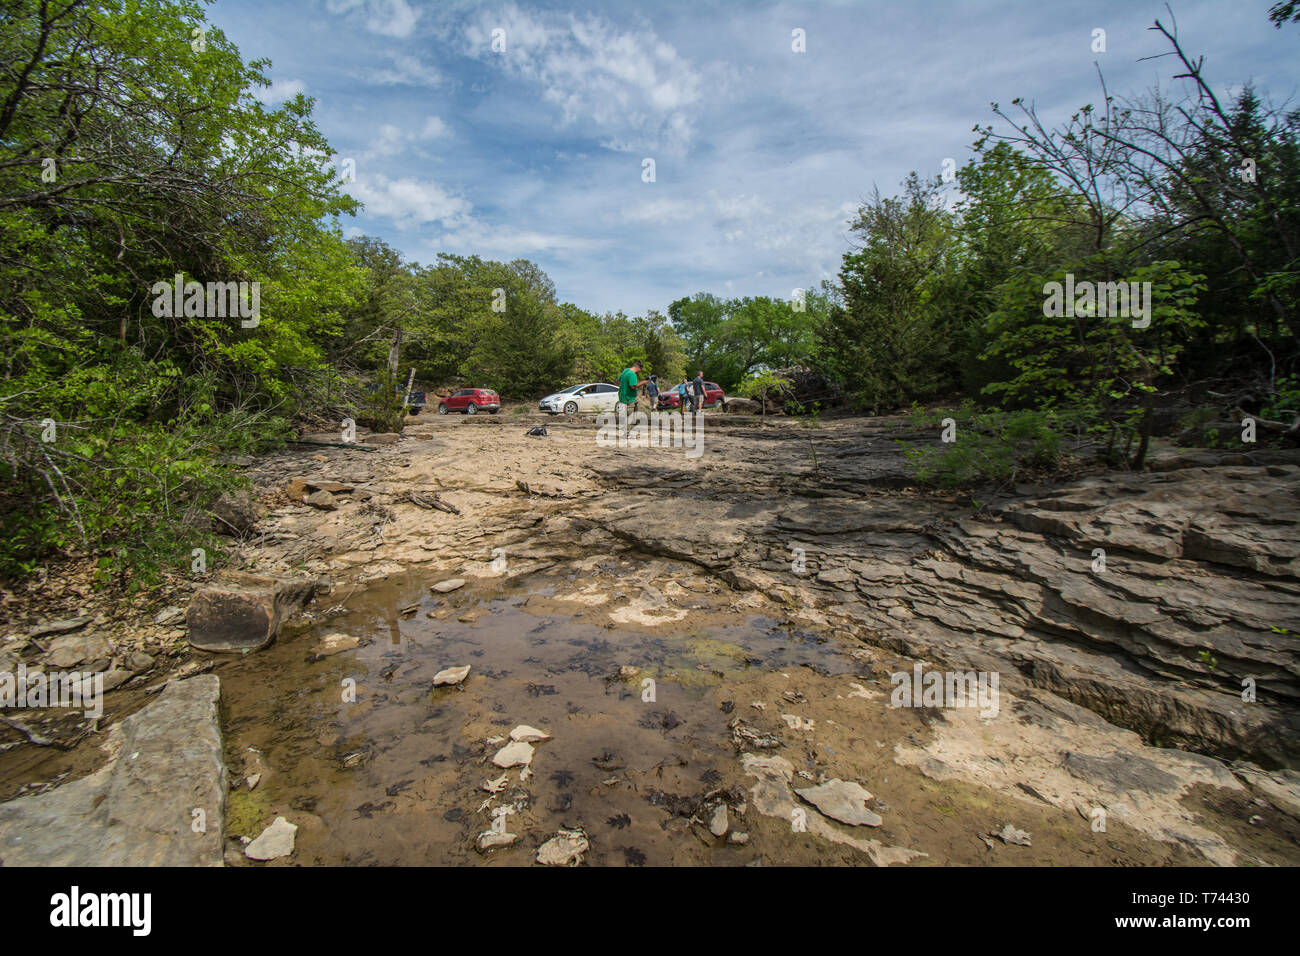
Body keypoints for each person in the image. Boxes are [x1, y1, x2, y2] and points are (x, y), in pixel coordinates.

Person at [617, 360, 643, 428]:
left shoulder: (625, 370)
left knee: (624, 415)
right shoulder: (632, 374)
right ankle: (627, 432)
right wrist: (643, 383)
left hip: (622, 396)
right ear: (638, 367)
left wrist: (624, 388)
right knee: (629, 415)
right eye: (640, 370)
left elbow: (619, 380)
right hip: (629, 398)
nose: (639, 372)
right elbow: (633, 386)